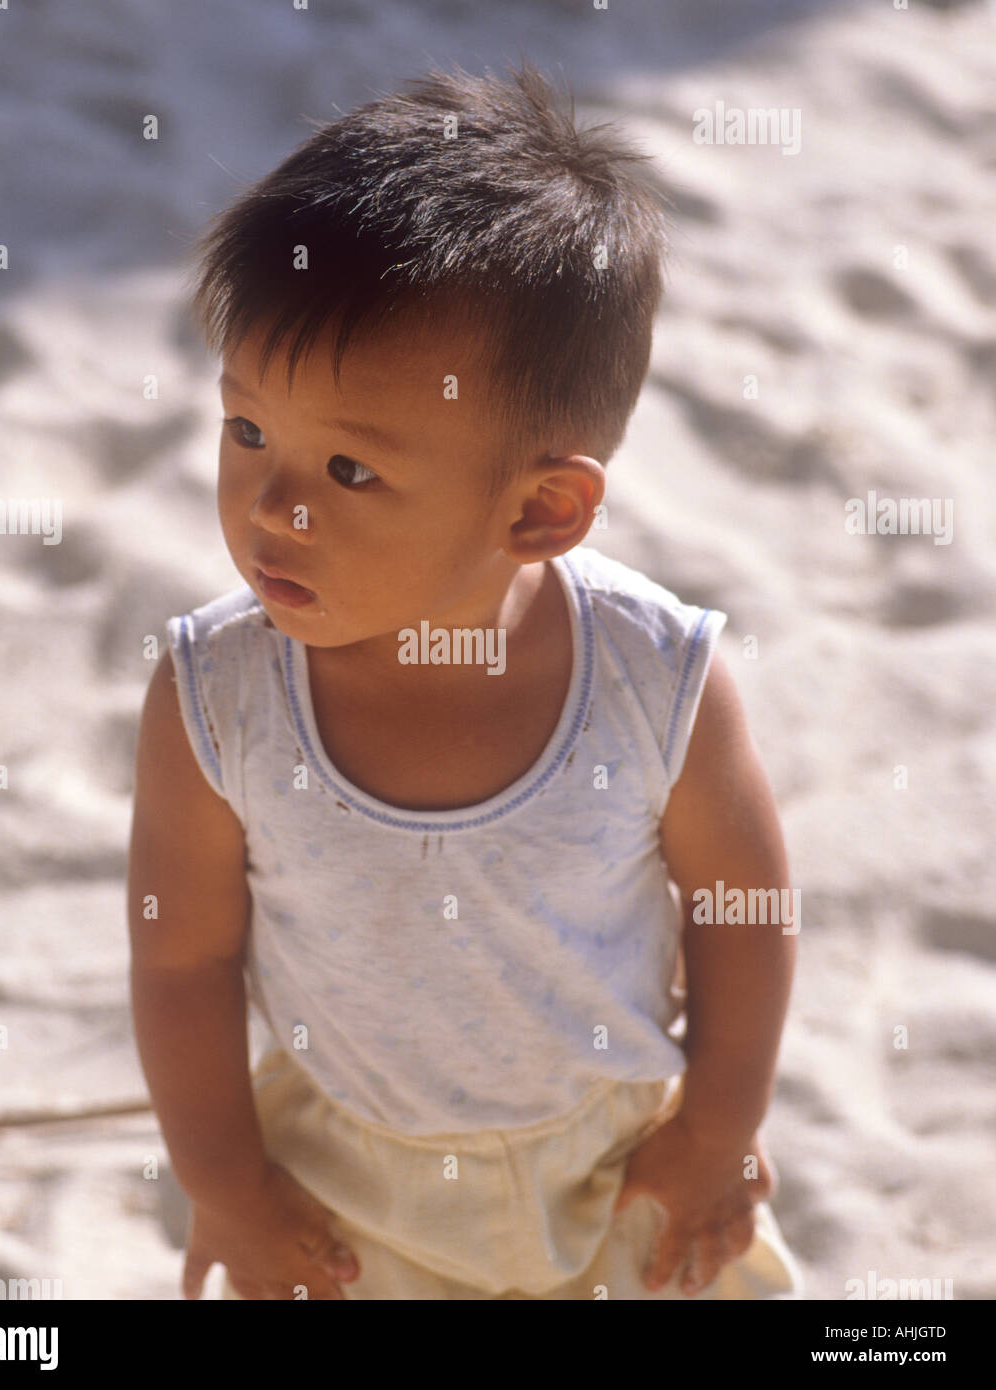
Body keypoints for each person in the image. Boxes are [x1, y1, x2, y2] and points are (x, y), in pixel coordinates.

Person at [127, 59, 803, 1300]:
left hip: (618, 1167)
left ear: (544, 507)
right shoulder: (213, 697)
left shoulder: (657, 680)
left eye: (351, 473)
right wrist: (229, 1186)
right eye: (248, 431)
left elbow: (745, 912)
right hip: (348, 1185)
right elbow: (181, 962)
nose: (273, 504)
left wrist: (714, 1132)